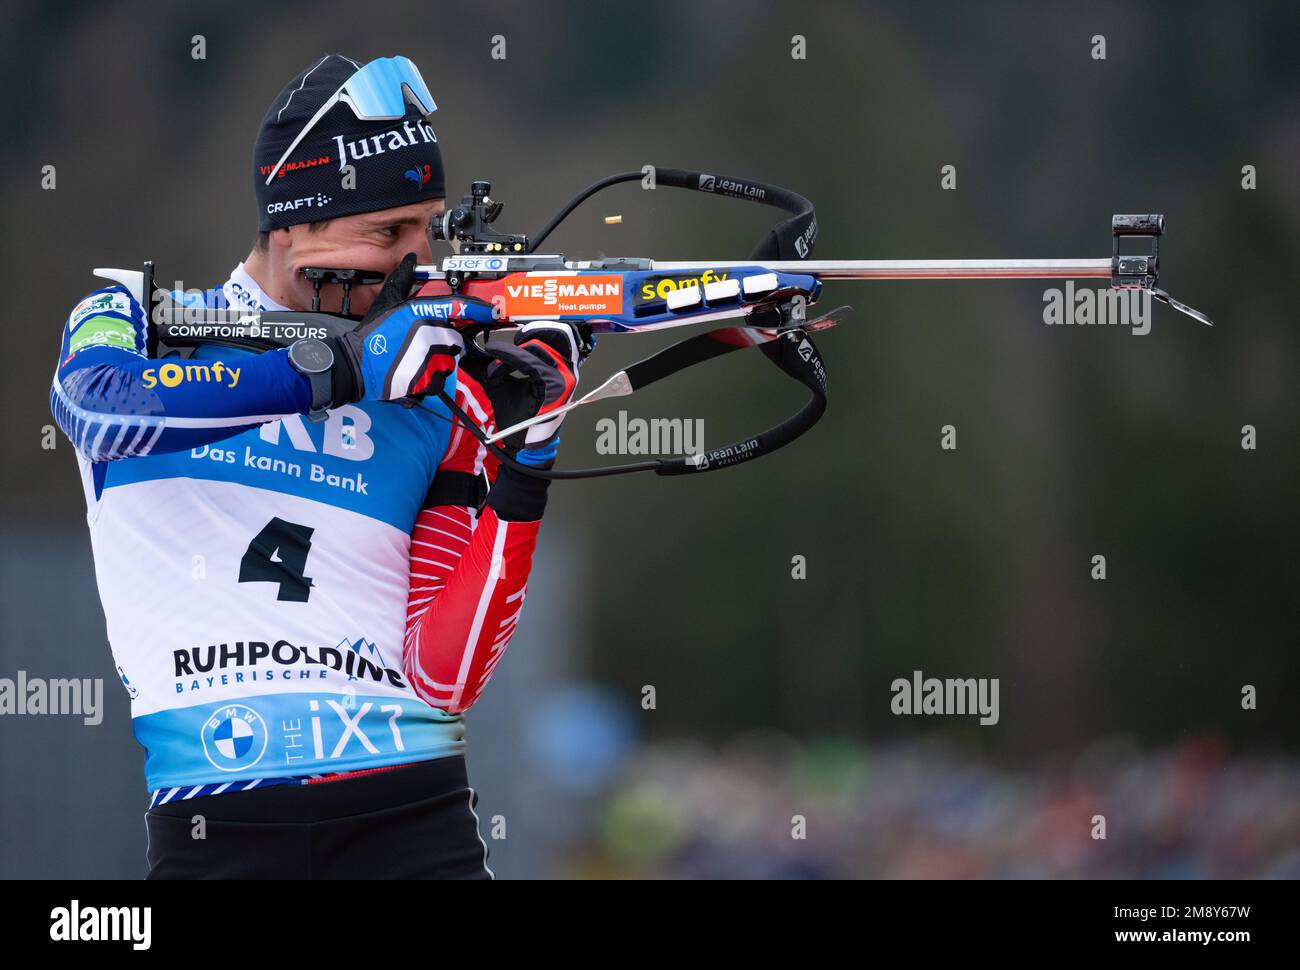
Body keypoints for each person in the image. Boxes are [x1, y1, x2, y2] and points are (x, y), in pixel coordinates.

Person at [49, 54, 587, 879]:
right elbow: (99, 410)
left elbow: (442, 678)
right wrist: (345, 372)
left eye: (428, 228)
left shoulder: (429, 385)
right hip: (218, 828)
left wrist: (524, 459)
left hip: (417, 821)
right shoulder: (139, 319)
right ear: (292, 226)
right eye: (387, 233)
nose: (416, 261)